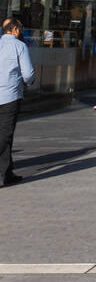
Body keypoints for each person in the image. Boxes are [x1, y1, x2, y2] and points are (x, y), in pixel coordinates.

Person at [0, 17, 35, 185]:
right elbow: (28, 74)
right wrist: (29, 82)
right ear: (14, 30)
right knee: (6, 134)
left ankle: (6, 173)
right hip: (10, 96)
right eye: (19, 30)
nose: (20, 33)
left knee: (5, 136)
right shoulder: (20, 46)